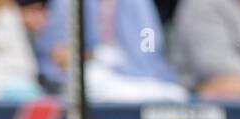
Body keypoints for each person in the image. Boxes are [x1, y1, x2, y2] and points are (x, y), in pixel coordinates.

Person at [37, 0, 187, 99]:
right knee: (93, 78)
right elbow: (57, 55)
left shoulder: (138, 3)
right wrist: (96, 56)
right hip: (90, 80)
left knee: (176, 94)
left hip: (135, 81)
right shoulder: (69, 3)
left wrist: (121, 65)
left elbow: (150, 51)